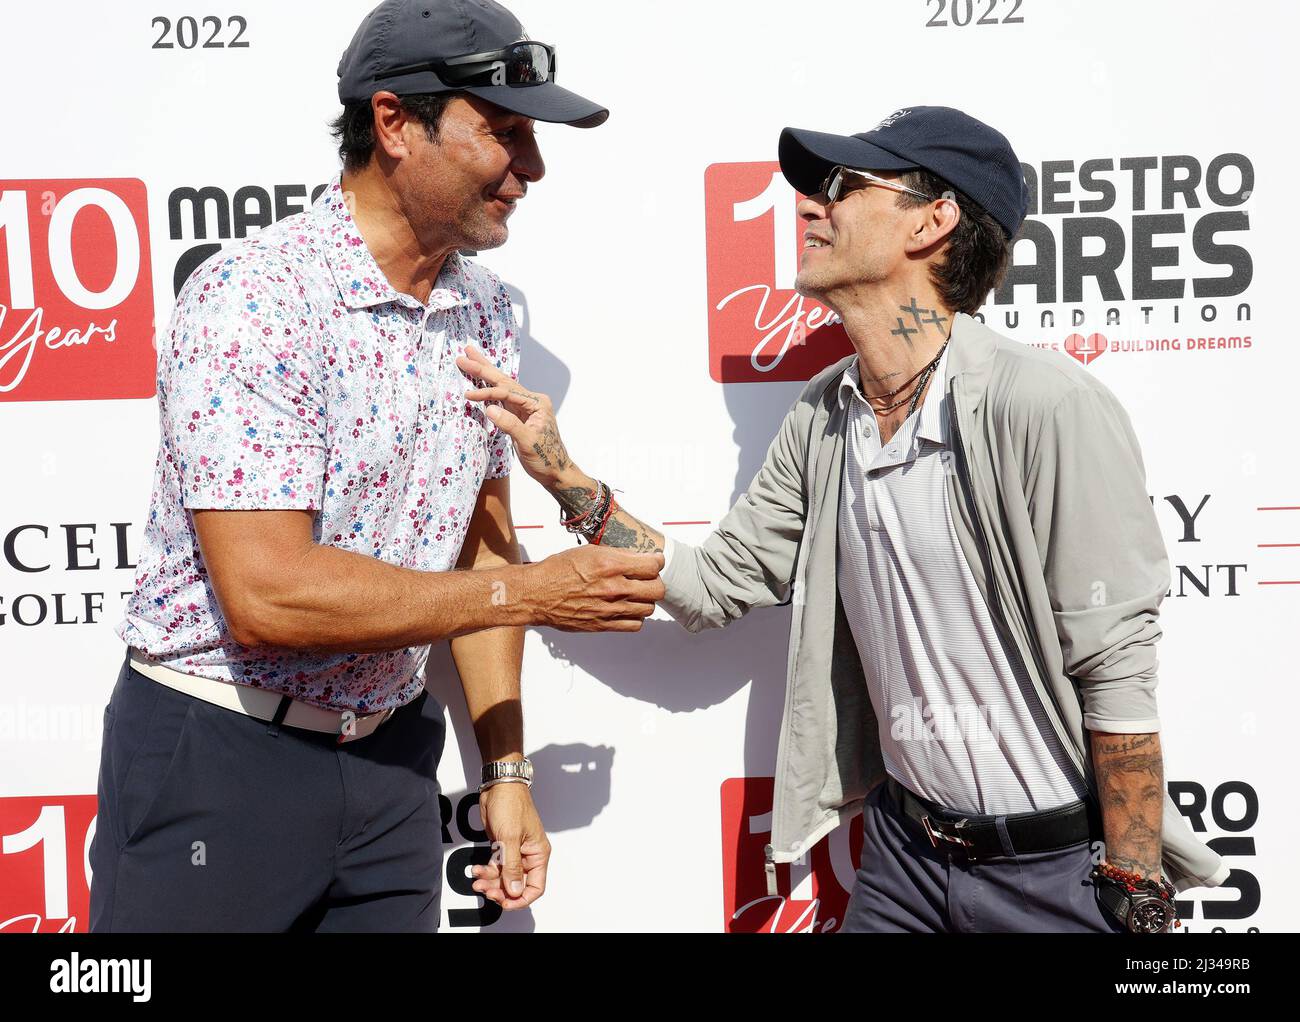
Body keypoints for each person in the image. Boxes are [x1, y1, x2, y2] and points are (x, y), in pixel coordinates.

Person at [457, 105, 1229, 932]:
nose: (810, 206)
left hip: (1057, 873)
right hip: (906, 858)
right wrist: (563, 476)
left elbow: (1116, 667)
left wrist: (1134, 884)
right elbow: (713, 587)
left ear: (935, 221)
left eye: (844, 186)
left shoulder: (1043, 404)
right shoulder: (826, 414)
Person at [90, 0, 664, 933]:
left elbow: (482, 552)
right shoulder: (255, 297)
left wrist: (504, 771)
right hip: (218, 758)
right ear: (394, 123)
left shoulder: (486, 311)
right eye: (505, 133)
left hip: (396, 769)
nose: (533, 169)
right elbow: (269, 594)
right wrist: (533, 596)